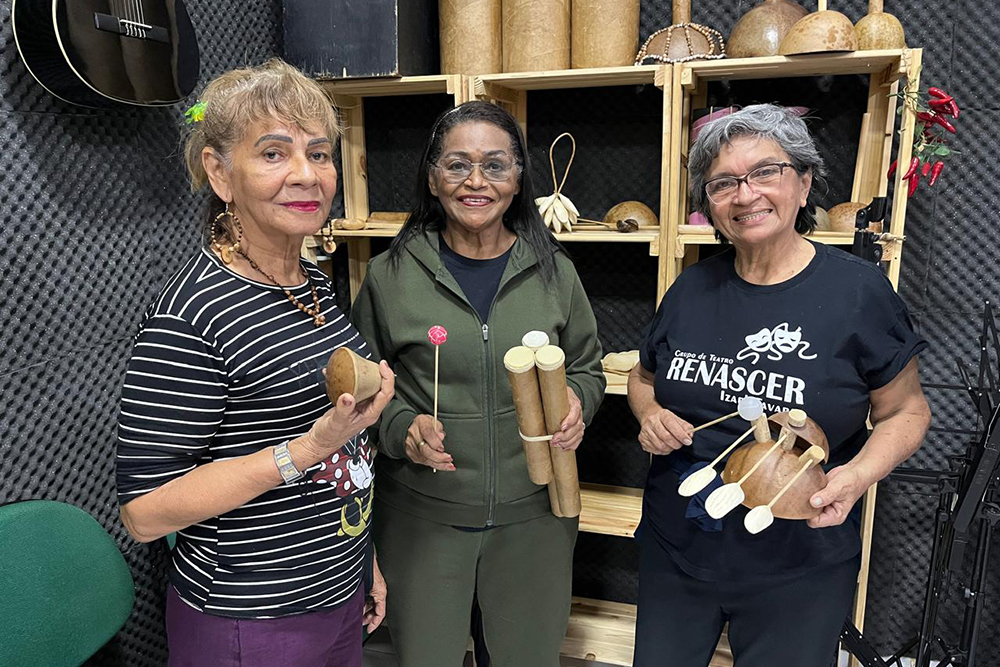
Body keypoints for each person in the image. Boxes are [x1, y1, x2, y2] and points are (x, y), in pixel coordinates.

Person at [628, 104, 931, 666]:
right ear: (708, 202)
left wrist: (856, 476)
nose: (746, 195)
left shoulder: (859, 294)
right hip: (679, 551)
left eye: (766, 171)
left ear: (805, 180)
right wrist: (648, 413)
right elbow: (642, 378)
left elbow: (907, 413)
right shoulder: (690, 289)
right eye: (723, 182)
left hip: (797, 563)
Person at [114, 59, 394, 667]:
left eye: (320, 154)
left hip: (335, 594)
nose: (307, 175)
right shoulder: (193, 312)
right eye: (273, 154)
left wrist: (362, 560)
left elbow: (336, 445)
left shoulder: (311, 283)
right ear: (219, 172)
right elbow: (143, 512)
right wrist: (308, 449)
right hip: (252, 620)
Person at [350, 100, 606, 667]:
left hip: (536, 515)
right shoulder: (390, 276)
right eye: (457, 164)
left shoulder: (554, 271)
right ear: (432, 177)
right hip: (423, 518)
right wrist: (402, 431)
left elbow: (588, 365)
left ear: (518, 180)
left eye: (495, 165)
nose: (476, 181)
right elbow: (362, 393)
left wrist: (577, 401)